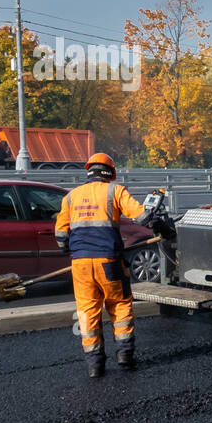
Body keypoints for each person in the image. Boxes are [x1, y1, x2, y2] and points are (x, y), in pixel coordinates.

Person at [54, 153, 154, 378]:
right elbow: (141, 215)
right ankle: (124, 356)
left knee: (88, 312)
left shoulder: (71, 196)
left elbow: (61, 234)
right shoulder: (114, 191)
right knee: (120, 305)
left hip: (80, 263)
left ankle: (94, 365)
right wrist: (158, 222)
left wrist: (68, 248)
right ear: (110, 173)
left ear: (89, 171)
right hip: (108, 260)